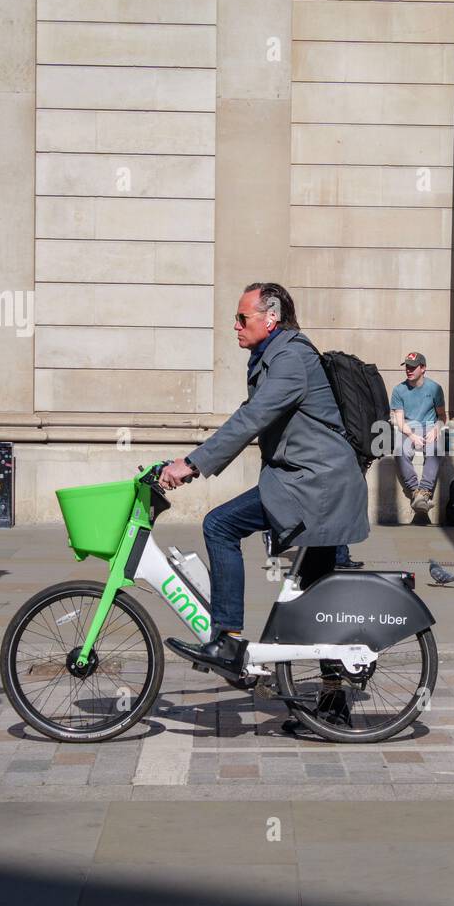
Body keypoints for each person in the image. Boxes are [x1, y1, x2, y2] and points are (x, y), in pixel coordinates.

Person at [157, 283, 369, 683]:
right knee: (315, 598)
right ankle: (332, 705)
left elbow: (253, 419)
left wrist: (194, 464)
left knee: (220, 525)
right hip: (313, 484)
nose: (235, 326)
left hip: (315, 488)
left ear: (270, 319)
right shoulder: (275, 356)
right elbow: (249, 414)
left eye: (242, 317)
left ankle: (229, 640)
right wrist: (188, 460)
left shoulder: (290, 358)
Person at [390, 352, 447, 514]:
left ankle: (424, 491)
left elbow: (442, 415)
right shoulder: (398, 390)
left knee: (436, 449)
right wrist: (412, 435)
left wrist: (436, 429)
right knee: (400, 449)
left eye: (413, 367)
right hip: (408, 427)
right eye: (407, 366)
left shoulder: (434, 388)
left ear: (423, 368)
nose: (409, 370)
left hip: (429, 426)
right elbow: (399, 420)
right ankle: (416, 492)